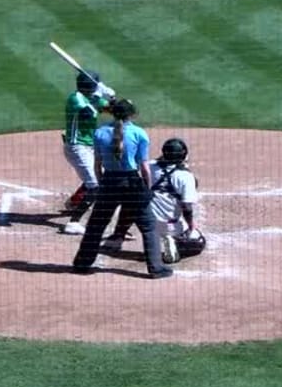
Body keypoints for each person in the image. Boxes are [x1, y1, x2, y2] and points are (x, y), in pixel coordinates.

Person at [72, 99, 173, 279]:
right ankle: (156, 268)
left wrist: (104, 183)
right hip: (132, 183)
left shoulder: (100, 133)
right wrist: (147, 189)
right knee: (149, 227)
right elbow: (144, 167)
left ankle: (82, 264)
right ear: (131, 114)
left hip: (109, 182)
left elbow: (98, 165)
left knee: (95, 226)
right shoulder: (139, 133)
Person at [58, 70, 116, 235]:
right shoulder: (75, 98)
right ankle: (73, 223)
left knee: (99, 175)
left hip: (89, 145)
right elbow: (87, 114)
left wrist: (111, 97)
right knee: (96, 187)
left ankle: (75, 202)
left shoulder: (91, 98)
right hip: (77, 147)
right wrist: (98, 95)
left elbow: (115, 110)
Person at [150, 138, 207, 264]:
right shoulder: (185, 176)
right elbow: (187, 208)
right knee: (197, 241)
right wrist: (192, 226)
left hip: (147, 222)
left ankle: (120, 235)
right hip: (170, 224)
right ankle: (172, 240)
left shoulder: (149, 167)